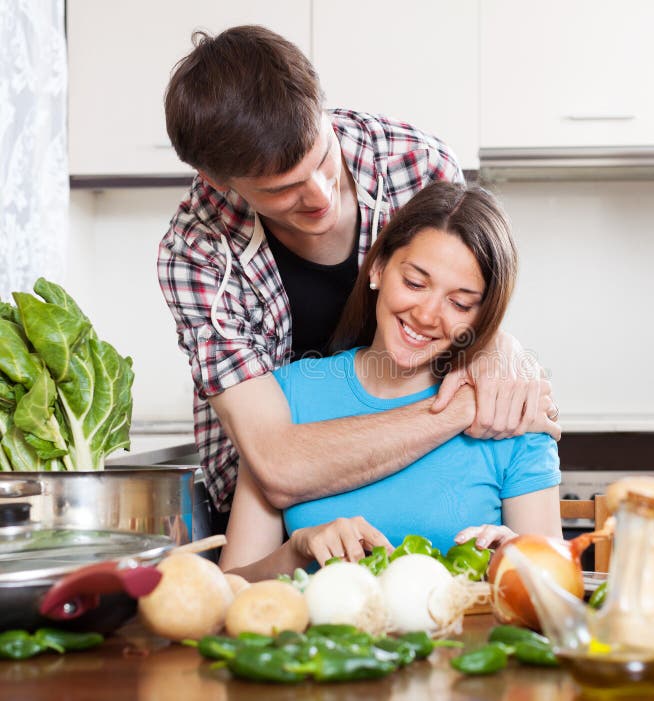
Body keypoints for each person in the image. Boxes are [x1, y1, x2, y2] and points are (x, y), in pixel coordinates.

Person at [157, 25, 561, 535]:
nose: (322, 195)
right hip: (275, 507)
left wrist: (503, 346)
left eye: (323, 158)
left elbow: (463, 292)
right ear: (220, 182)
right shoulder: (195, 251)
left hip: (421, 455)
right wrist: (463, 410)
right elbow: (279, 468)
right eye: (283, 189)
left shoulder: (417, 163)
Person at [220, 182, 561, 580]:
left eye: (460, 303)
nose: (428, 314)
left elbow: (556, 589)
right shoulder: (288, 395)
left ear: (481, 316)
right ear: (379, 268)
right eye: (415, 283)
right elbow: (231, 587)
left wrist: (514, 559)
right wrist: (297, 551)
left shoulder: (507, 411)